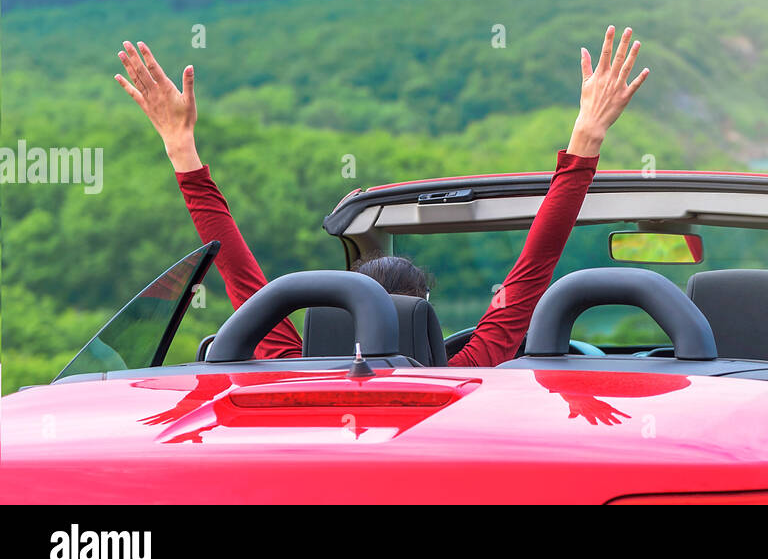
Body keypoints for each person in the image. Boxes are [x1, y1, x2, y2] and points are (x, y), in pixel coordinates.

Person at [114, 26, 649, 365]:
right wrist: (587, 136)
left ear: (344, 314)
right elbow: (538, 258)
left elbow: (235, 266)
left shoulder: (289, 369)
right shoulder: (467, 374)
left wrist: (181, 147)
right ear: (428, 316)